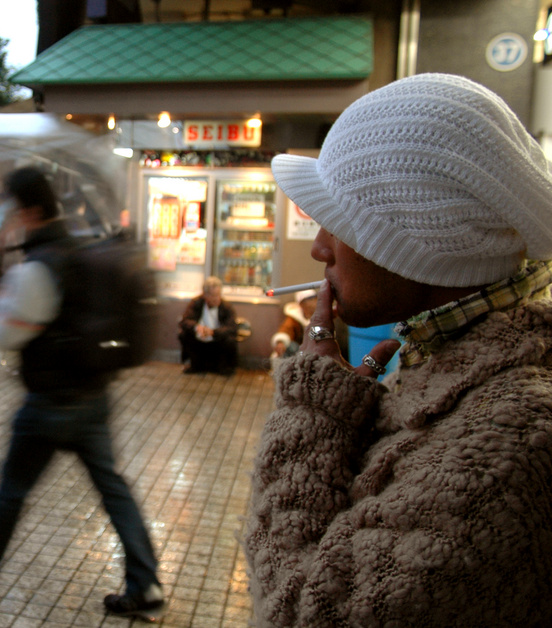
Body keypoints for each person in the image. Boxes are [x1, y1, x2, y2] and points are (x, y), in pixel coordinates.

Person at [244, 73, 552, 626]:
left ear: (417, 242)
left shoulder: (514, 442)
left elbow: (301, 614)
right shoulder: (473, 368)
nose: (319, 248)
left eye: (335, 224)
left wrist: (313, 410)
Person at [0, 167, 163, 619]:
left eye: (10, 207)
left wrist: (1, 300)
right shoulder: (79, 251)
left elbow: (5, 335)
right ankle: (145, 586)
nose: (6, 216)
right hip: (92, 397)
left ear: (30, 210)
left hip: (48, 405)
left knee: (12, 487)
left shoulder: (36, 269)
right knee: (114, 489)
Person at [177, 276, 238, 374]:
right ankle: (193, 364)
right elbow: (185, 321)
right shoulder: (196, 303)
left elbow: (232, 328)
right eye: (213, 295)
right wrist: (197, 327)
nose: (216, 299)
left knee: (230, 339)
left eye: (218, 295)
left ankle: (225, 367)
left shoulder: (226, 307)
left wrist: (214, 332)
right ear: (204, 295)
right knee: (184, 334)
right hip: (199, 340)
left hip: (217, 340)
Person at [269, 288, 317, 360]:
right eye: (309, 300)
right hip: (298, 352)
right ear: (301, 304)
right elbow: (286, 329)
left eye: (315, 299)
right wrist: (281, 341)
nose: (313, 302)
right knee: (291, 347)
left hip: (315, 351)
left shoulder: (321, 316)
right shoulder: (294, 318)